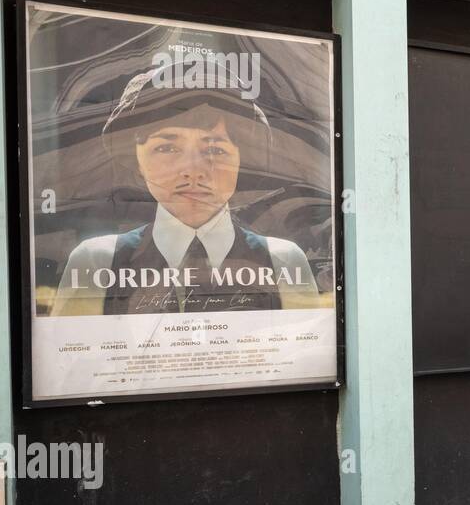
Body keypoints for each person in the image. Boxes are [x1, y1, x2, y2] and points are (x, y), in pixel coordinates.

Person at [51, 58, 321, 316]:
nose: (192, 170)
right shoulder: (97, 261)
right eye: (166, 147)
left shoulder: (282, 261)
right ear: (138, 161)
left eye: (215, 148)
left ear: (242, 159)